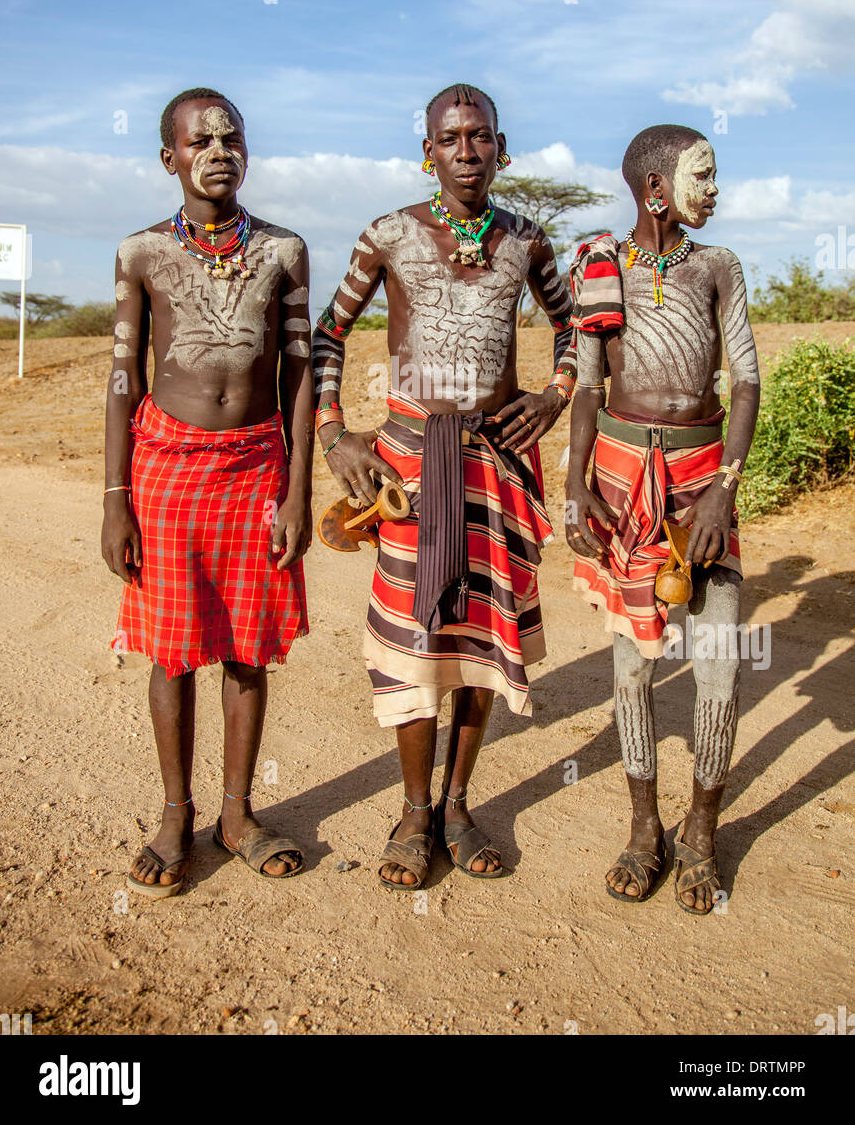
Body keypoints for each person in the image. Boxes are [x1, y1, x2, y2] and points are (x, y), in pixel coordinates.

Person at [312, 83, 576, 891]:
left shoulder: (527, 240)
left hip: (497, 462)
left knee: (481, 644)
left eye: (481, 137)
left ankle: (460, 806)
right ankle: (414, 811)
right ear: (427, 150)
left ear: (502, 147)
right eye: (451, 139)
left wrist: (553, 394)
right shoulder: (389, 234)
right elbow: (327, 333)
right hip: (410, 461)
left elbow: (574, 329)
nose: (467, 152)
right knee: (416, 641)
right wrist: (332, 432)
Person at [102, 88, 313, 898]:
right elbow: (122, 380)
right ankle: (173, 812)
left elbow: (297, 375)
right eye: (200, 141)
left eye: (232, 137)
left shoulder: (285, 250)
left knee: (247, 646)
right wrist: (115, 498)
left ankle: (236, 813)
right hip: (166, 468)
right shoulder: (141, 253)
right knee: (173, 649)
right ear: (171, 159)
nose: (218, 150)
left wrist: (296, 491)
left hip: (257, 466)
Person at [565, 124, 760, 913]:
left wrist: (725, 487)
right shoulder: (599, 264)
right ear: (655, 190)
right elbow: (585, 385)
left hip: (702, 477)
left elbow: (744, 381)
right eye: (702, 177)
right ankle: (645, 828)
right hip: (620, 481)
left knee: (717, 666)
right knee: (634, 663)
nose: (714, 190)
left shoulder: (719, 267)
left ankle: (703, 832)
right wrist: (573, 482)